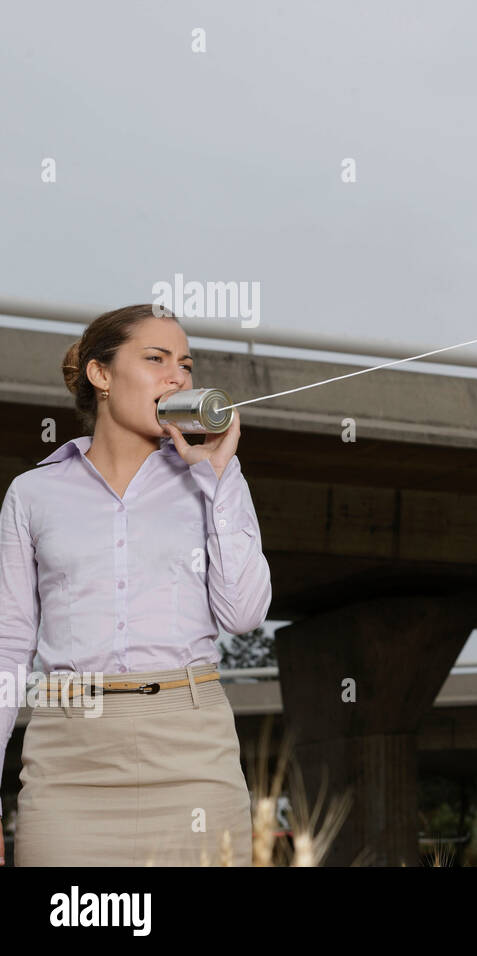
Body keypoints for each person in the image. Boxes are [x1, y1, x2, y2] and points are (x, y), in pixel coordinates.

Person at [0, 303, 272, 865]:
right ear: (101, 375)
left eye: (186, 365)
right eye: (156, 359)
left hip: (192, 754)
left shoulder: (212, 478)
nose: (178, 377)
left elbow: (244, 614)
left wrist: (221, 477)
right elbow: (7, 646)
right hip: (67, 765)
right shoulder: (32, 495)